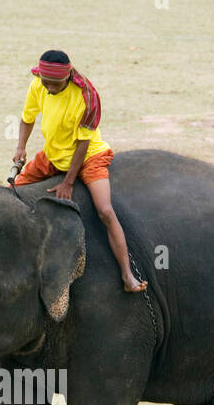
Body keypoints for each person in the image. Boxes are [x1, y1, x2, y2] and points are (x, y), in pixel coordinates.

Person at [12, 50, 146, 293]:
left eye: (56, 84)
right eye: (46, 82)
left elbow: (83, 144)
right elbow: (27, 118)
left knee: (105, 210)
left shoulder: (87, 96)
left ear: (68, 76)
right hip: (53, 154)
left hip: (88, 157)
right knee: (13, 191)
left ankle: (127, 275)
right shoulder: (37, 86)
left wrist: (68, 182)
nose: (50, 88)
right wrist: (21, 148)